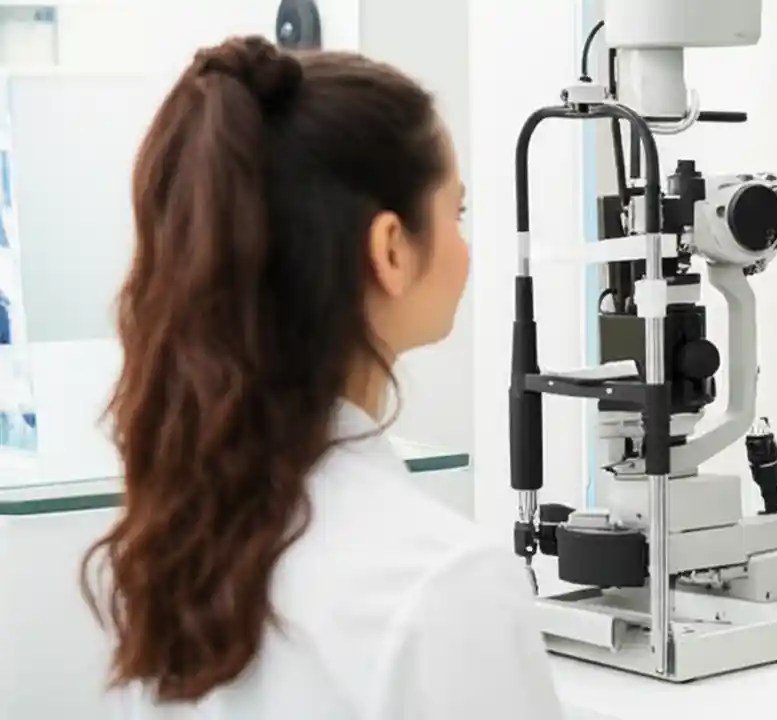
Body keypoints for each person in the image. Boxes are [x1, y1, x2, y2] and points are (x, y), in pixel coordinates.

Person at [81, 36, 562, 718]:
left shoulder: (176, 548)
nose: (465, 246)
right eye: (456, 213)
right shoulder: (445, 584)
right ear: (391, 249)